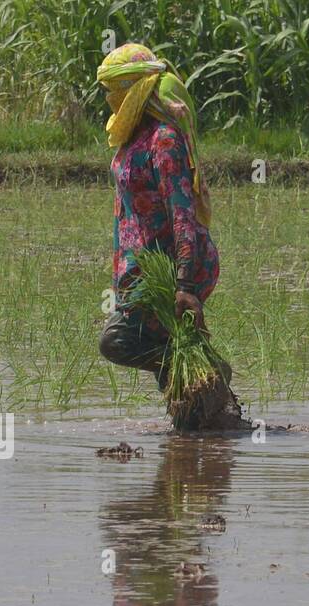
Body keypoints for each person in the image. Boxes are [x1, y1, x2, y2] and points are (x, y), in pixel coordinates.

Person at [96, 43, 245, 429]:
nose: (111, 99)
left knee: (117, 341)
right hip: (146, 273)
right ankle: (203, 426)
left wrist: (184, 284)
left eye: (117, 90)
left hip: (174, 268)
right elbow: (125, 215)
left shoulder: (163, 139)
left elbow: (184, 216)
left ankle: (210, 375)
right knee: (173, 374)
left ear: (138, 90)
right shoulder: (133, 139)